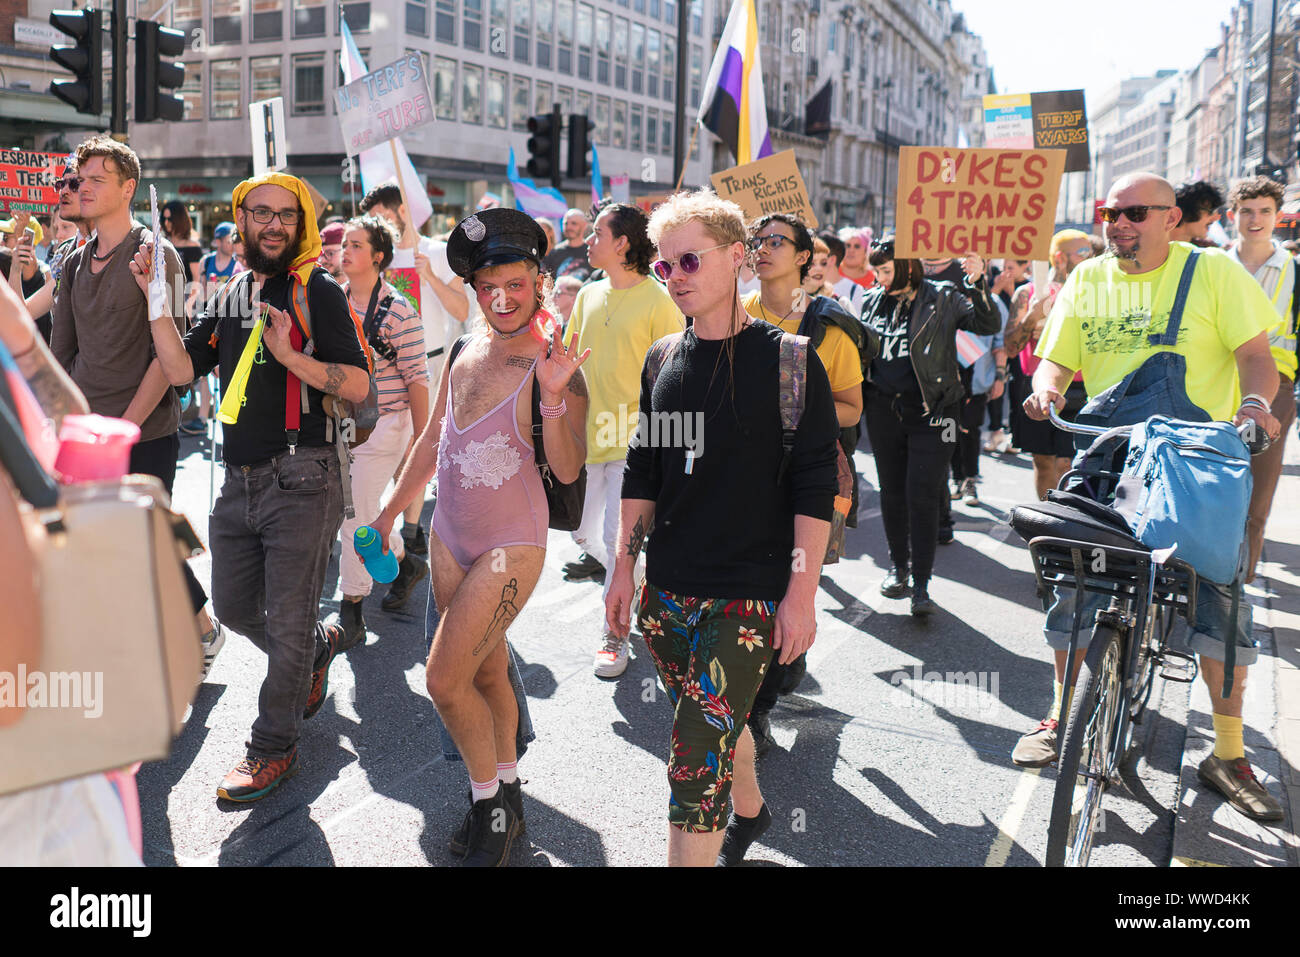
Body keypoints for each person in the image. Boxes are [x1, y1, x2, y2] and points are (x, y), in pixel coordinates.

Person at [1015, 172, 1284, 823]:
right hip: (1111, 455)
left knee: (1218, 593)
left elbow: (1256, 356)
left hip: (1193, 457)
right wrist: (1047, 388)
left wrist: (1254, 404)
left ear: (1171, 217)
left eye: (1135, 211)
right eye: (1112, 211)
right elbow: (1057, 357)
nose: (1119, 222)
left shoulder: (1214, 273)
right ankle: (1062, 711)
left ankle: (1227, 752)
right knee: (1071, 575)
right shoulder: (1088, 278)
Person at [605, 189, 839, 866]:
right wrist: (623, 567)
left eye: (688, 260)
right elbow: (645, 472)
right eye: (663, 265)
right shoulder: (662, 360)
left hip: (748, 595)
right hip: (667, 593)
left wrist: (801, 593)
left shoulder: (791, 362)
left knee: (691, 761)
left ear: (737, 259)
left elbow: (814, 487)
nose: (674, 276)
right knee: (709, 722)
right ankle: (754, 809)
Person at [132, 170, 372, 803]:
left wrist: (292, 356)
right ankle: (314, 654)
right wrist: (156, 303)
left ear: (300, 226)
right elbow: (182, 368)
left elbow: (358, 385)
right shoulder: (234, 289)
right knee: (236, 610)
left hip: (303, 476)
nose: (272, 225)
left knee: (288, 622)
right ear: (241, 222)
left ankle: (272, 746)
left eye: (284, 216)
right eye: (259, 213)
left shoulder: (317, 290)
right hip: (236, 482)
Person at [370, 208, 589, 866]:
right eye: (488, 286)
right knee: (488, 671)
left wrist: (553, 396)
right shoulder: (466, 350)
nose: (501, 297)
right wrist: (387, 514)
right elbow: (436, 438)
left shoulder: (555, 365)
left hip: (511, 545)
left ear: (538, 282)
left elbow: (572, 466)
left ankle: (488, 803)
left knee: (442, 679)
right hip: (447, 536)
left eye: (514, 284)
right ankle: (510, 797)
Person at [50, 135, 223, 679]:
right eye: (80, 178)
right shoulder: (74, 261)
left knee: (145, 545)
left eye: (97, 178)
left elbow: (164, 355)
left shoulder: (157, 254)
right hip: (84, 433)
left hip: (144, 431)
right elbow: (61, 351)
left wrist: (125, 426)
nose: (83, 187)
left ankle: (198, 630)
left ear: (128, 189)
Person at [564, 201, 684, 678]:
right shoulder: (589, 294)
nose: (589, 241)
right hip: (583, 439)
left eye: (597, 233)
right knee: (580, 533)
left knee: (618, 543)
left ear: (622, 244)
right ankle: (638, 580)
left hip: (634, 444)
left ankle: (615, 635)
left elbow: (674, 375)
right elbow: (568, 361)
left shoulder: (660, 299)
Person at [860, 240, 999, 615]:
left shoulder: (944, 296)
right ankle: (899, 569)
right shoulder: (873, 300)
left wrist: (978, 281)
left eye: (886, 270)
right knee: (891, 491)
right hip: (883, 409)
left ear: (907, 266)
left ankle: (921, 583)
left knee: (921, 493)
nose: (880, 278)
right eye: (877, 271)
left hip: (935, 411)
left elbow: (988, 323)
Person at [360, 182, 472, 559]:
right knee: (396, 445)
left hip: (434, 361)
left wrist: (431, 277)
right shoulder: (380, 258)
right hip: (387, 365)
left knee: (424, 446)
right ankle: (402, 529)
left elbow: (461, 311)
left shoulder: (439, 254)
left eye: (383, 217)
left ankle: (411, 531)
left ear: (402, 212)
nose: (378, 225)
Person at [335, 214, 430, 646]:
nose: (345, 250)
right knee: (355, 511)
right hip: (341, 423)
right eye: (344, 244)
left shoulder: (398, 310)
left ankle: (351, 607)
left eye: (356, 245)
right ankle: (403, 560)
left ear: (378, 257)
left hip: (387, 422)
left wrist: (422, 441)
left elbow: (418, 379)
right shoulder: (330, 299)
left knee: (353, 514)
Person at [1225, 176, 1297, 583]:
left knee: (1259, 490)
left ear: (1278, 215)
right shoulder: (1213, 264)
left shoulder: (1294, 271)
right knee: (1207, 480)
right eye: (1247, 211)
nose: (1256, 220)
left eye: (1265, 211)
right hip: (1216, 380)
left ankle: (1239, 588)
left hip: (1276, 388)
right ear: (1233, 215)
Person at [1002, 229, 1093, 499]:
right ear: (1059, 258)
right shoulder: (1027, 292)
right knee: (1043, 462)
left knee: (1067, 464)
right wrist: (1032, 317)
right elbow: (1010, 347)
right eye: (1083, 253)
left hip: (1079, 388)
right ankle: (1047, 520)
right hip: (1037, 387)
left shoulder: (1095, 293)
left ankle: (1066, 524)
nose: (1091, 258)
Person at [983, 259, 1030, 454]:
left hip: (1018, 345)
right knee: (996, 384)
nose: (1006, 272)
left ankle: (1014, 434)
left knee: (1017, 389)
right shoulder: (995, 281)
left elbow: (1027, 316)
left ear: (1024, 267)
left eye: (1011, 268)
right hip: (997, 343)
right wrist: (996, 288)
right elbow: (985, 308)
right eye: (1004, 268)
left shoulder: (1028, 287)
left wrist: (1013, 293)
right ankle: (995, 431)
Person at [0, 216, 52, 343]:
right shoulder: (7, 260)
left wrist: (21, 232)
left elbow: (29, 267)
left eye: (6, 238)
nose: (2, 242)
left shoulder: (40, 270)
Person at [542, 208, 592, 281]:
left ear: (584, 225)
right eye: (566, 223)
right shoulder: (555, 252)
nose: (568, 227)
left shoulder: (591, 251)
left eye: (574, 223)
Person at [1170, 179, 1224, 244]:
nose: (1216, 218)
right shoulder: (1155, 247)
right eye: (1211, 211)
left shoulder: (1207, 251)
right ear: (1187, 210)